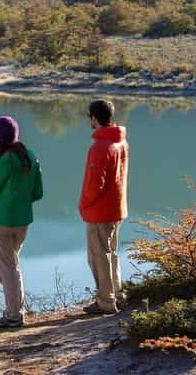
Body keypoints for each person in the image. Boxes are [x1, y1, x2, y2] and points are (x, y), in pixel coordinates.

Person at [0, 116, 43, 328]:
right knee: (12, 266)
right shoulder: (30, 157)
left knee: (7, 269)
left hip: (2, 220)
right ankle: (18, 309)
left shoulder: (4, 161)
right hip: (23, 220)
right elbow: (37, 192)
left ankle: (13, 315)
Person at [80, 100, 129, 315]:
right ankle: (117, 294)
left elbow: (94, 185)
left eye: (89, 117)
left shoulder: (100, 147)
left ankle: (106, 301)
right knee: (111, 253)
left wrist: (84, 204)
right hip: (117, 208)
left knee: (98, 256)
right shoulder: (121, 142)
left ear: (94, 118)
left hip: (100, 211)